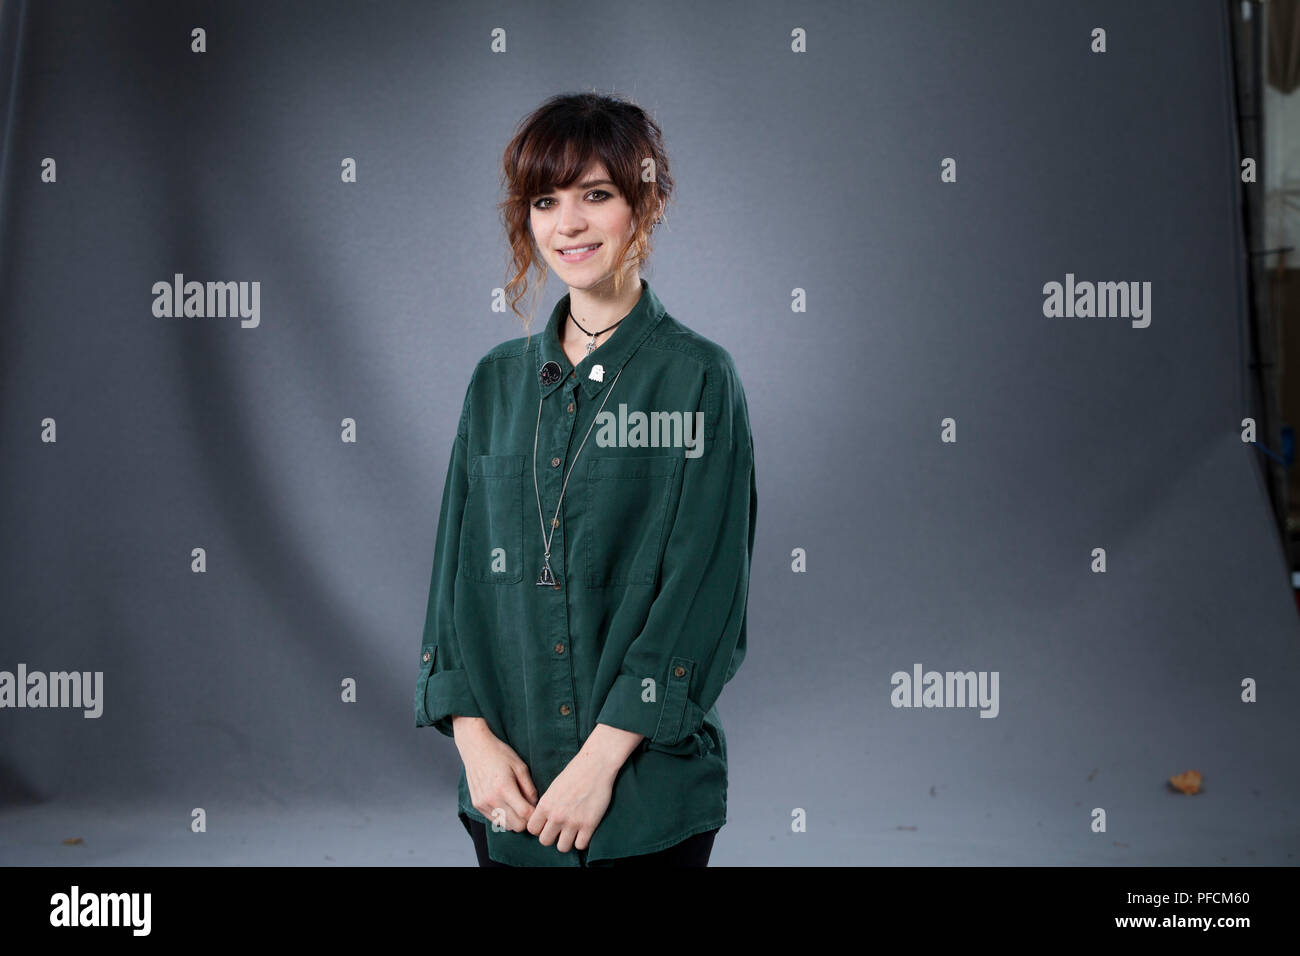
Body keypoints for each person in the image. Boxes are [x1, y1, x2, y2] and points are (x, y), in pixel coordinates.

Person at [414, 91, 757, 867]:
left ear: (648, 203)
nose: (567, 225)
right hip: (509, 796)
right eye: (545, 200)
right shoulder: (495, 383)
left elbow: (705, 594)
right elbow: (452, 582)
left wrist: (598, 765)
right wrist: (473, 743)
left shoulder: (699, 378)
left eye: (595, 196)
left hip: (642, 801)